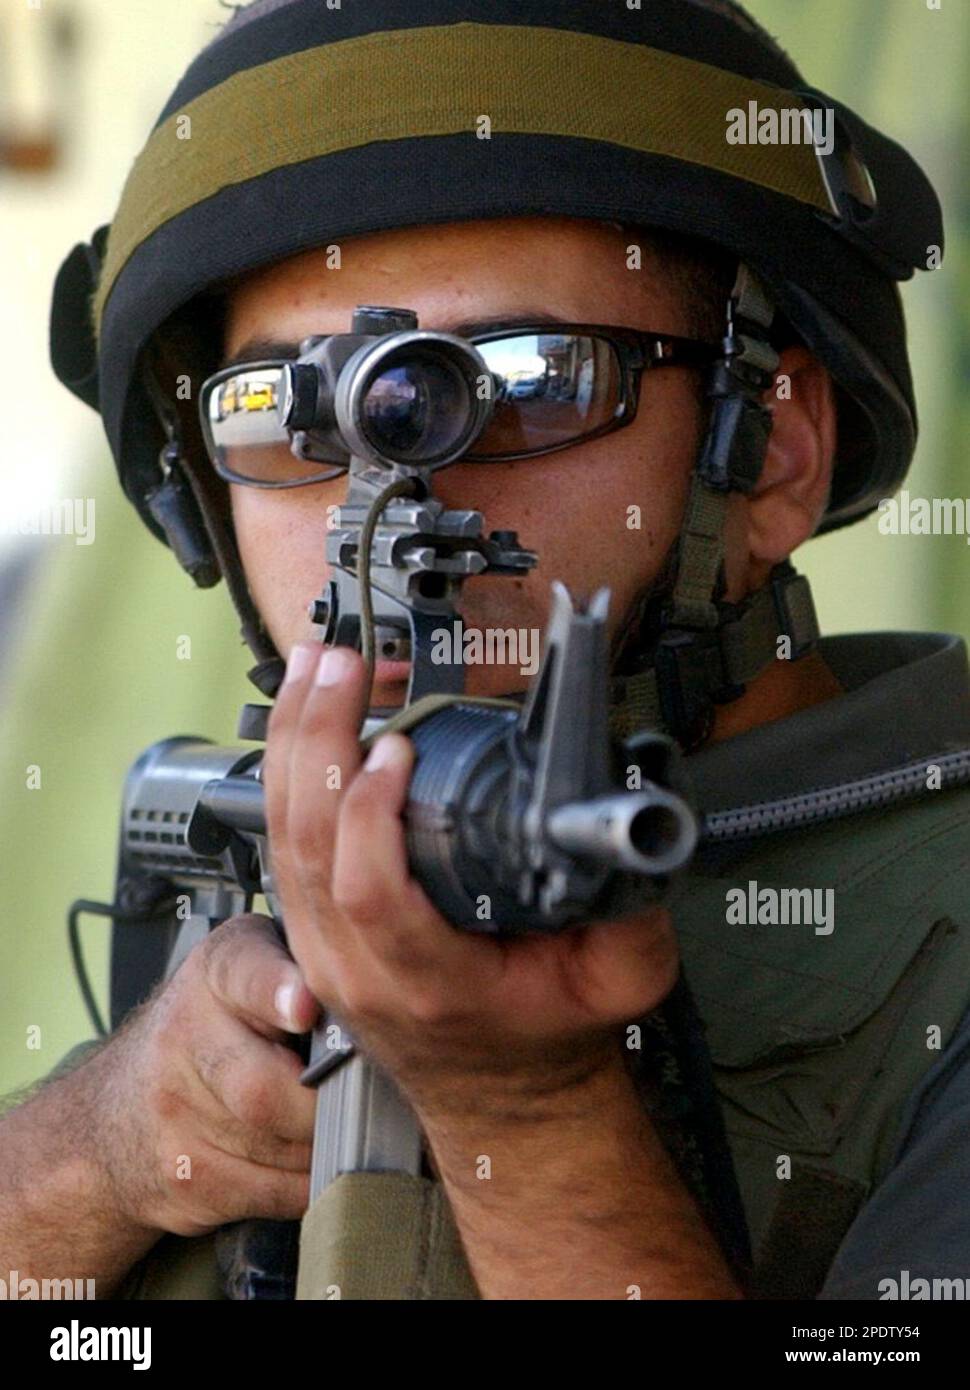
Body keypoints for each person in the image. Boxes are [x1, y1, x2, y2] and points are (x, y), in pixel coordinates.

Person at [3, 0, 968, 1301]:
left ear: (771, 452)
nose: (384, 489)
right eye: (283, 409)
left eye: (525, 380)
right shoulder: (240, 868)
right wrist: (105, 1141)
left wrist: (529, 1117)